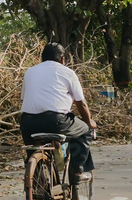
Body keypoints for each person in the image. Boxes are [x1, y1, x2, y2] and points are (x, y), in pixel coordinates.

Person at [20, 43, 97, 184]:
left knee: (33, 149)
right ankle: (77, 172)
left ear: (41, 58)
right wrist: (89, 121)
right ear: (62, 59)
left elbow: (25, 98)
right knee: (84, 131)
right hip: (56, 121)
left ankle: (35, 181)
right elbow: (81, 103)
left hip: (27, 123)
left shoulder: (30, 72)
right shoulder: (67, 72)